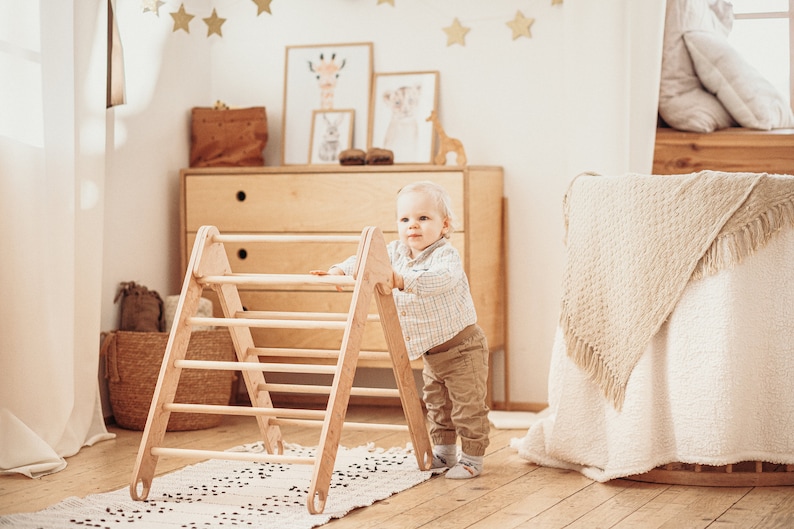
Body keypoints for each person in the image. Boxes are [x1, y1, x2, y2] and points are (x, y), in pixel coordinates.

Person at [311, 180, 490, 479]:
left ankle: (472, 458)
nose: (413, 226)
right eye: (405, 219)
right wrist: (340, 269)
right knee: (437, 405)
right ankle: (445, 454)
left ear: (444, 225)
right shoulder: (394, 252)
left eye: (423, 218)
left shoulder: (445, 256)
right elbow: (365, 260)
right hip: (431, 352)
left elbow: (440, 279)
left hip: (463, 348)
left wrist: (401, 280)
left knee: (467, 407)